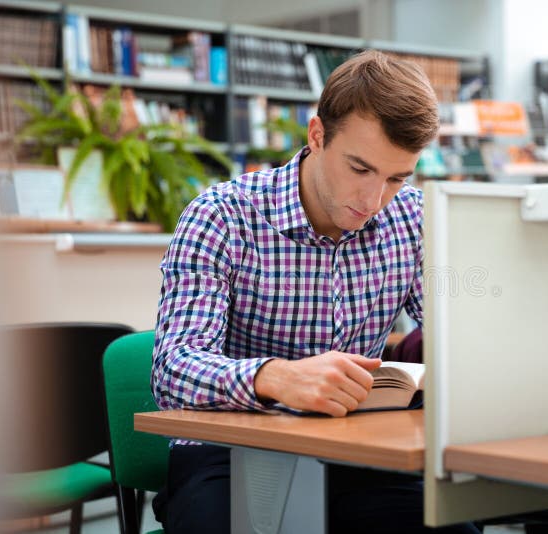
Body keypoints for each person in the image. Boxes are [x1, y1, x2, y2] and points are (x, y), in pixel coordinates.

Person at [152, 50, 478, 534]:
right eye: (360, 168)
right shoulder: (220, 215)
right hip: (230, 453)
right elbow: (172, 371)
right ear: (317, 135)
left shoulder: (412, 217)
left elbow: (462, 330)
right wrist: (276, 378)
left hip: (356, 449)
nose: (374, 201)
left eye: (396, 178)